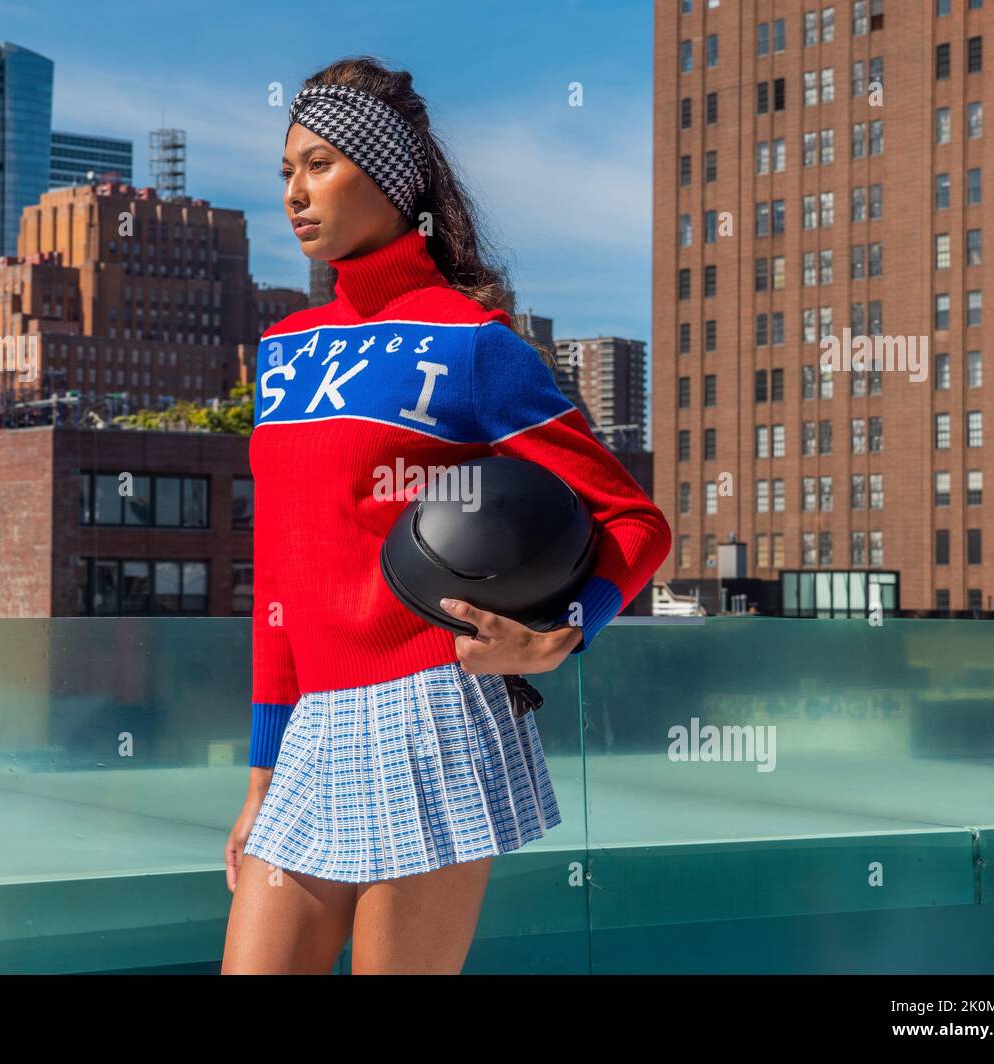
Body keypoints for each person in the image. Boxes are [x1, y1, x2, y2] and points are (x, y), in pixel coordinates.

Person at [221, 56, 671, 975]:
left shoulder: (473, 345)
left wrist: (563, 633)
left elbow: (633, 520)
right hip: (314, 729)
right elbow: (281, 574)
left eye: (319, 166)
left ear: (389, 176)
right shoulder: (280, 352)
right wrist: (262, 773)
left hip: (432, 709)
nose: (295, 194)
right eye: (285, 172)